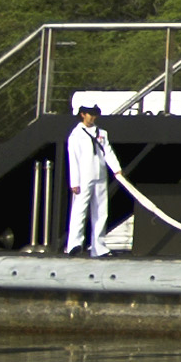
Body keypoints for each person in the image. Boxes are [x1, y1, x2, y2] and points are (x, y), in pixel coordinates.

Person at [62, 101, 119, 257]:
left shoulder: (101, 133)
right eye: (90, 114)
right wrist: (75, 182)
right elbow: (73, 159)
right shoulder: (76, 135)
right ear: (83, 115)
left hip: (99, 174)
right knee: (79, 210)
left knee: (101, 211)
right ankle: (74, 244)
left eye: (95, 114)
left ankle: (98, 247)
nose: (93, 117)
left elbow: (108, 152)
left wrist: (116, 169)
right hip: (84, 176)